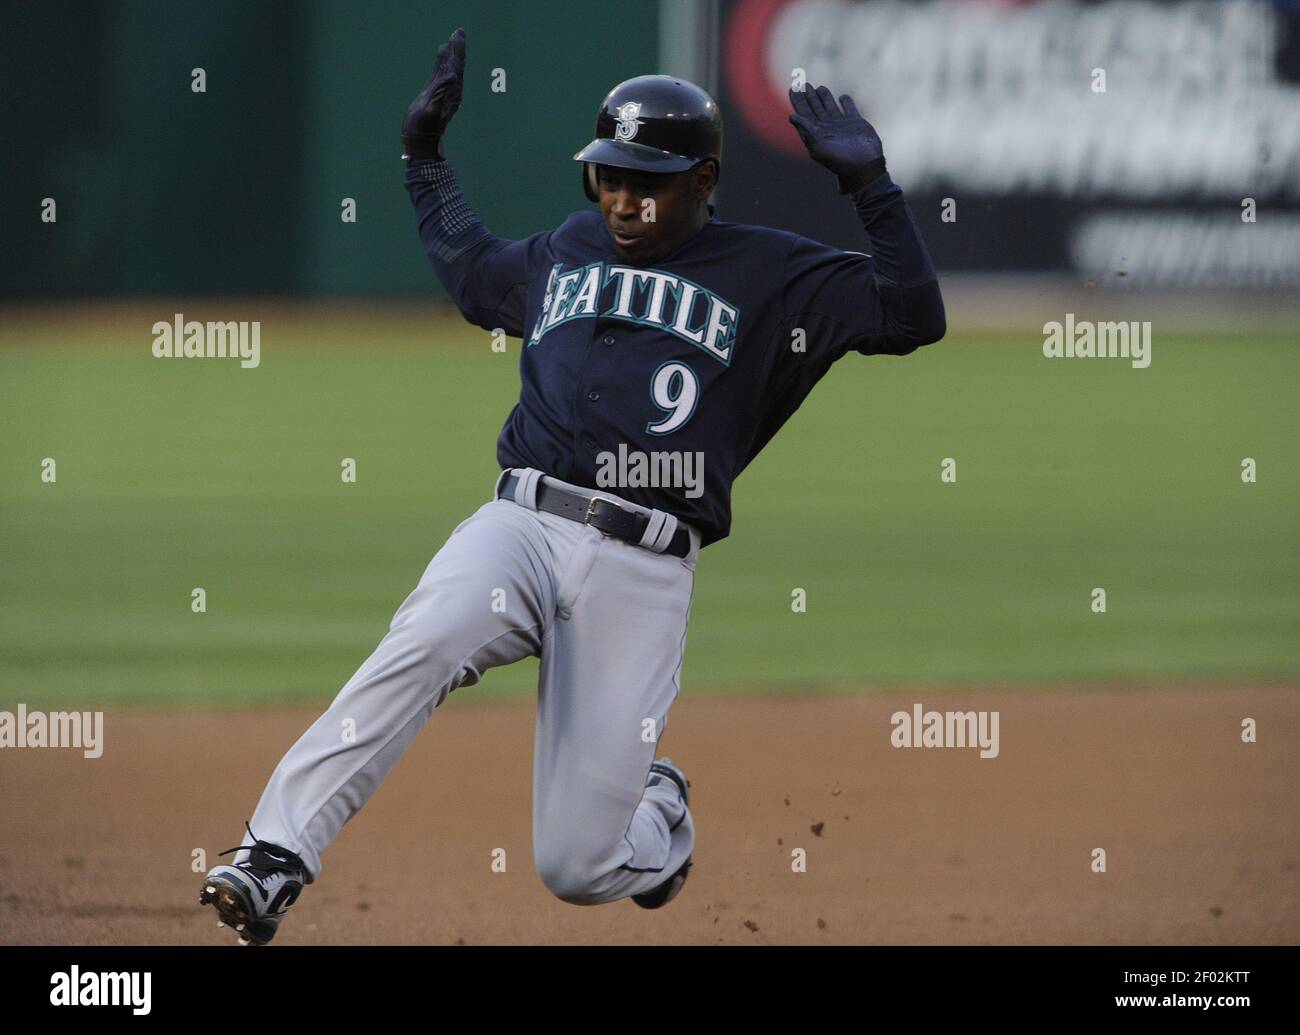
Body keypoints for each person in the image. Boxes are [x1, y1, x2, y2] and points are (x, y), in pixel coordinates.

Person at [199, 26, 944, 945]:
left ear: (704, 182)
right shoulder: (568, 247)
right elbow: (474, 275)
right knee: (427, 634)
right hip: (523, 523)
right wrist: (422, 159)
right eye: (610, 176)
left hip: (645, 567)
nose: (625, 200)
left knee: (577, 864)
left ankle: (659, 815)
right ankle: (276, 852)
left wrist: (871, 188)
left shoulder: (772, 273)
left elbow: (911, 316)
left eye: (650, 181)